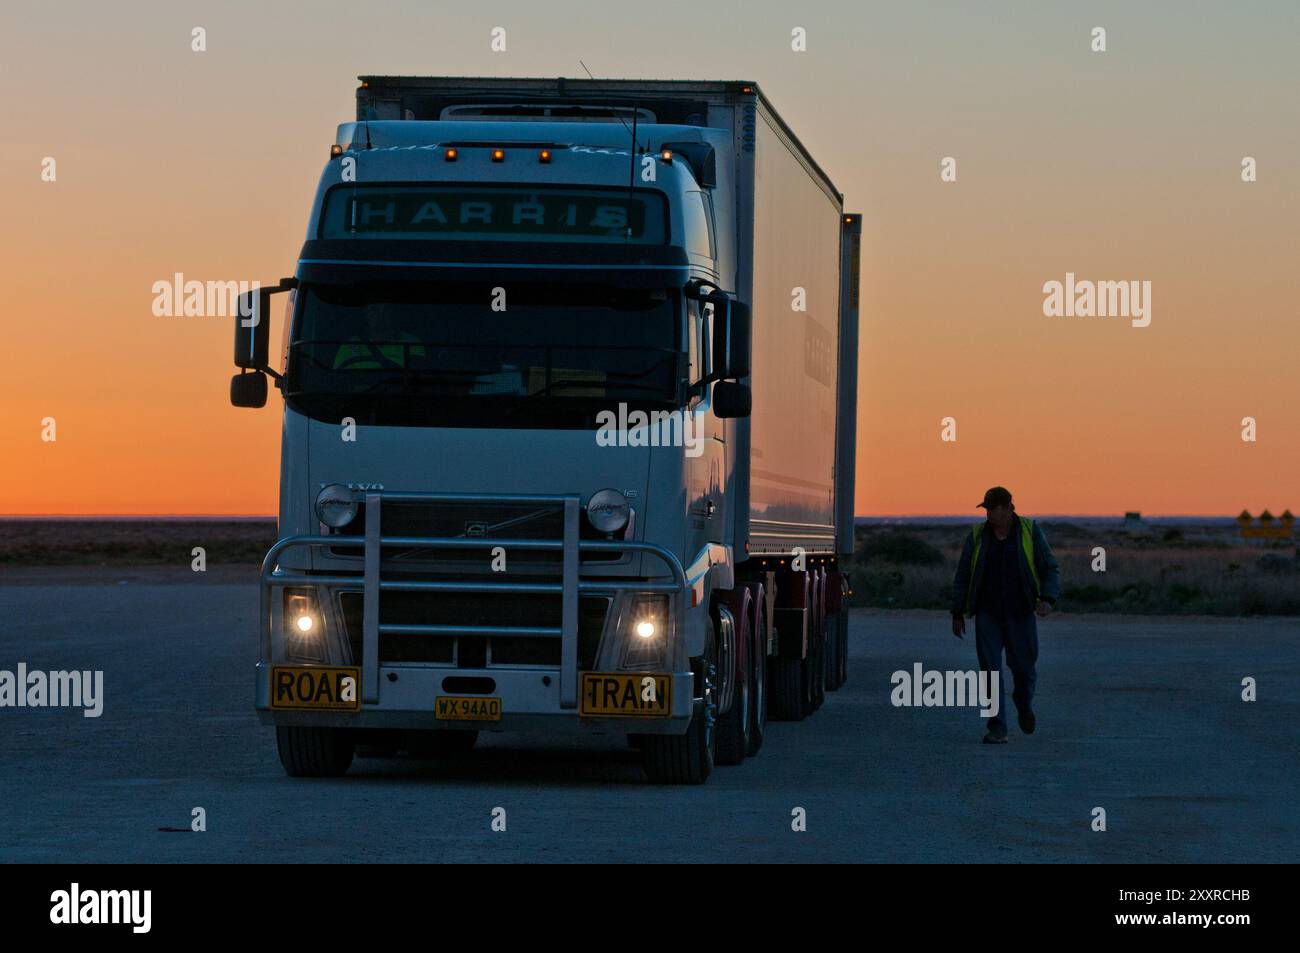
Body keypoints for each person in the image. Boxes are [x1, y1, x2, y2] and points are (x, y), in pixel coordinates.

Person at [950, 486, 1060, 744]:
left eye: (992, 509)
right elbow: (963, 575)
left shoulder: (1030, 531)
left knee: (1024, 669)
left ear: (1008, 508)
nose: (988, 514)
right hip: (988, 614)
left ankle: (1023, 703)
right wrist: (957, 612)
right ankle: (997, 727)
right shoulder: (977, 535)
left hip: (1020, 612)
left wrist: (1047, 599)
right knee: (989, 671)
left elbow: (1050, 568)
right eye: (986, 509)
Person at [331, 301, 425, 370]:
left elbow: (416, 380)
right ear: (365, 314)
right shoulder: (349, 346)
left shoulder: (411, 343)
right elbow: (339, 381)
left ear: (393, 312)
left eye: (386, 309)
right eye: (374, 309)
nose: (381, 314)